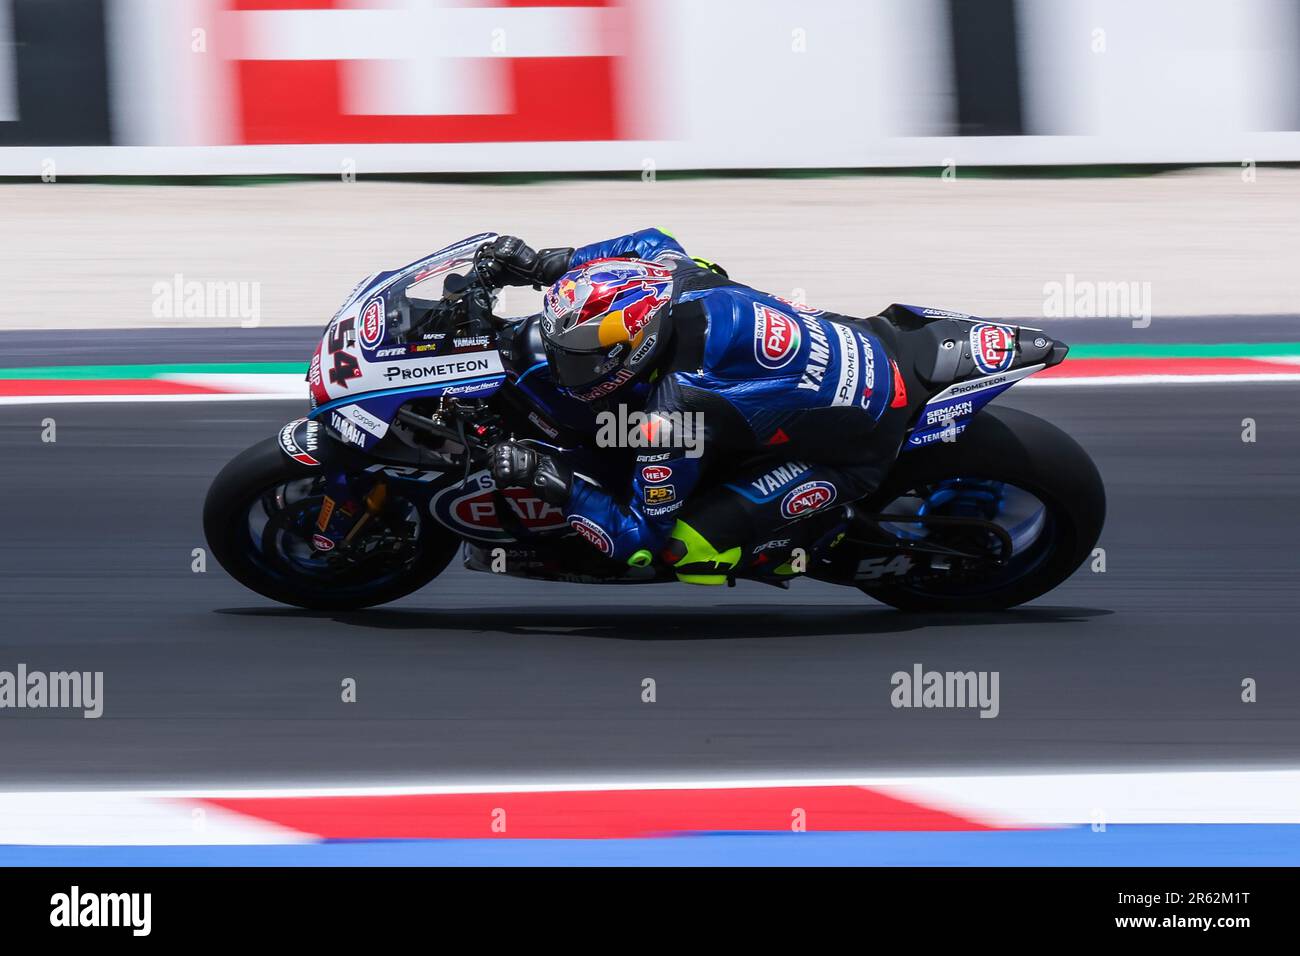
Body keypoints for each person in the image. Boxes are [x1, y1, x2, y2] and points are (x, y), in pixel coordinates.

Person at [480, 228, 914, 585]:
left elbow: (639, 541)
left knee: (684, 550)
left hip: (863, 445)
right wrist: (543, 265)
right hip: (865, 346)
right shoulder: (674, 277)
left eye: (580, 359)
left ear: (636, 347)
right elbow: (649, 240)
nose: (564, 369)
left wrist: (546, 476)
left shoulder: (672, 417)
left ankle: (801, 542)